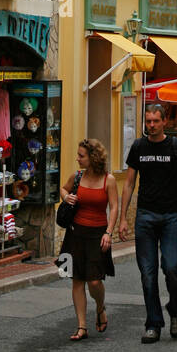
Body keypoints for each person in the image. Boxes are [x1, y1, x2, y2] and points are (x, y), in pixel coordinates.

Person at [119, 102, 177, 343]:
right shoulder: (139, 147)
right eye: (148, 121)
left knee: (171, 268)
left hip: (171, 216)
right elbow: (129, 183)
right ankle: (153, 323)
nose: (151, 125)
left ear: (164, 122)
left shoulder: (175, 146)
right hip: (146, 216)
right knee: (148, 274)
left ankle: (176, 309)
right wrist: (122, 218)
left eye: (155, 121)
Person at [59, 138, 119, 341]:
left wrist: (109, 232)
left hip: (97, 234)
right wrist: (66, 197)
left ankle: (100, 307)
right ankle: (81, 326)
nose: (77, 159)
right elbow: (63, 189)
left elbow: (114, 207)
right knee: (76, 280)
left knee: (94, 281)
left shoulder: (108, 180)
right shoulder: (77, 177)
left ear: (93, 158)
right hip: (76, 233)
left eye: (81, 156)